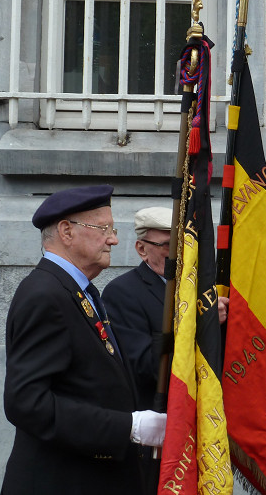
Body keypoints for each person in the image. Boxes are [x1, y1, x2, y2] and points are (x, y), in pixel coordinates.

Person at [0, 185, 166, 495]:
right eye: (104, 228)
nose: (114, 239)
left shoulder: (77, 291)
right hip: (61, 481)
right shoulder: (46, 294)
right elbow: (26, 404)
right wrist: (128, 428)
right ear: (66, 231)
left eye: (112, 229)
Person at [101, 206, 229, 493]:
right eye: (165, 245)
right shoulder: (123, 292)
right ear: (141, 249)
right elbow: (143, 365)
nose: (176, 254)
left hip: (203, 421)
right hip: (158, 435)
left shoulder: (198, 290)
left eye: (181, 244)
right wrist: (199, 325)